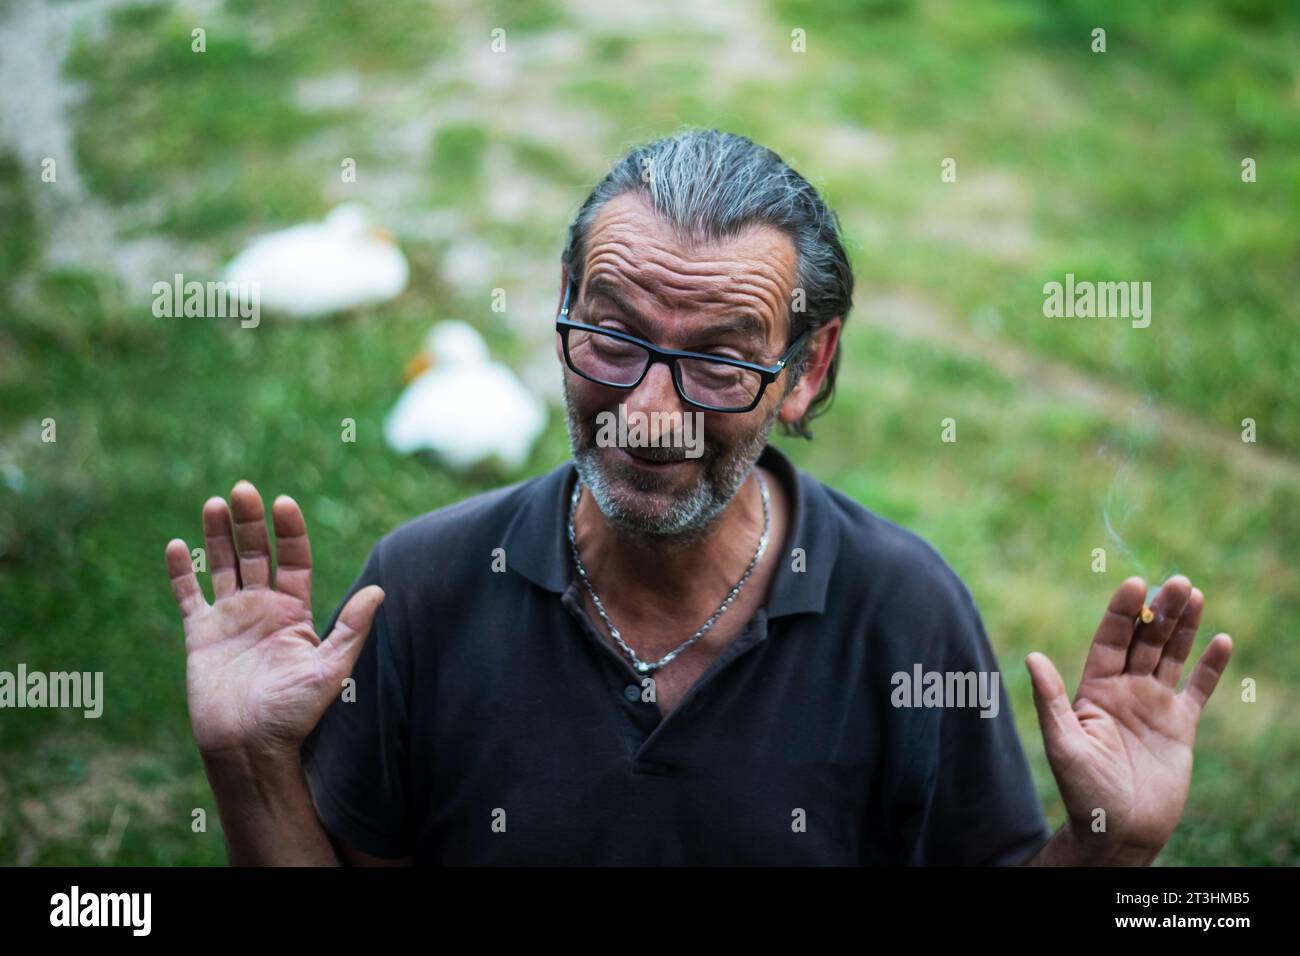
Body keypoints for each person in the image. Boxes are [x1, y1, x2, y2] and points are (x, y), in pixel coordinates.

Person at [164, 129, 1233, 865]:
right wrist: (251, 761)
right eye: (612, 333)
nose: (649, 408)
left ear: (808, 370)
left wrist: (1110, 844)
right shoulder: (426, 587)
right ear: (562, 311)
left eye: (720, 361)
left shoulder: (902, 613)